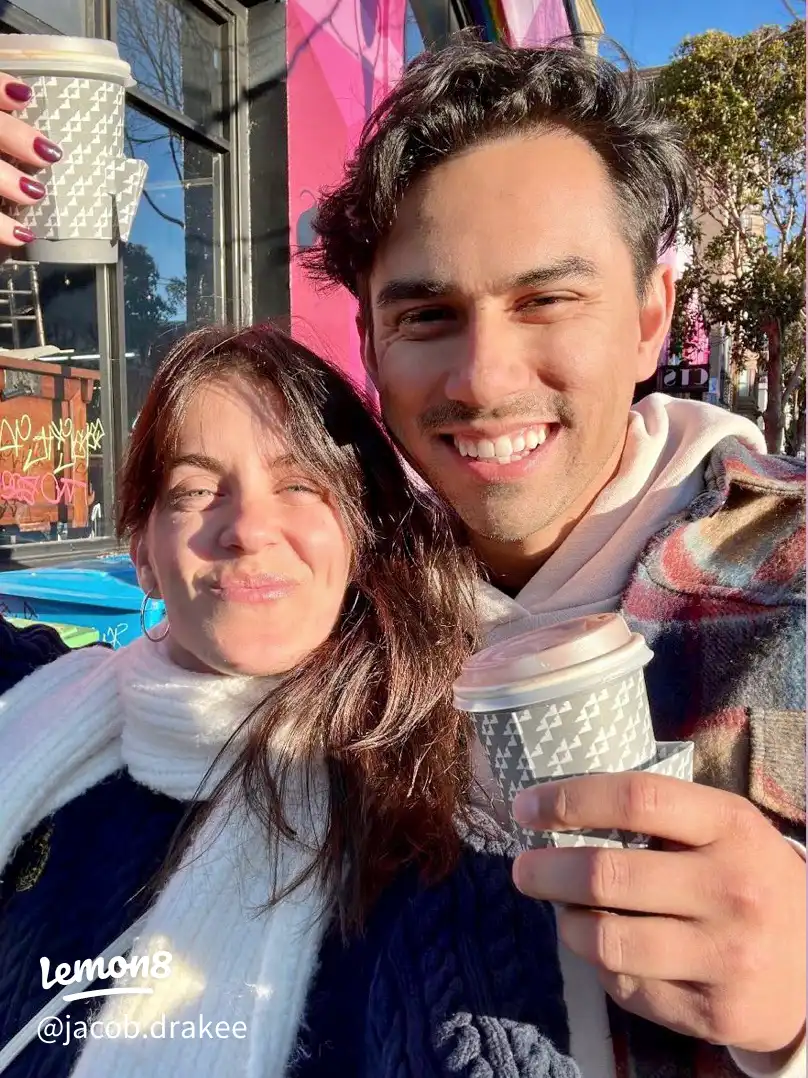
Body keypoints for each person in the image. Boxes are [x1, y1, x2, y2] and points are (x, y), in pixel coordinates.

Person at [305, 37, 806, 1078]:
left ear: (647, 319)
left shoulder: (787, 573)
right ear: (372, 349)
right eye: (428, 315)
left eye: (546, 299)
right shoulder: (316, 598)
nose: (483, 379)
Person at [0, 324, 578, 1078]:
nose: (246, 529)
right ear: (140, 550)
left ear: (360, 535)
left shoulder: (431, 822)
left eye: (300, 484)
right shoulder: (36, 703)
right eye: (197, 490)